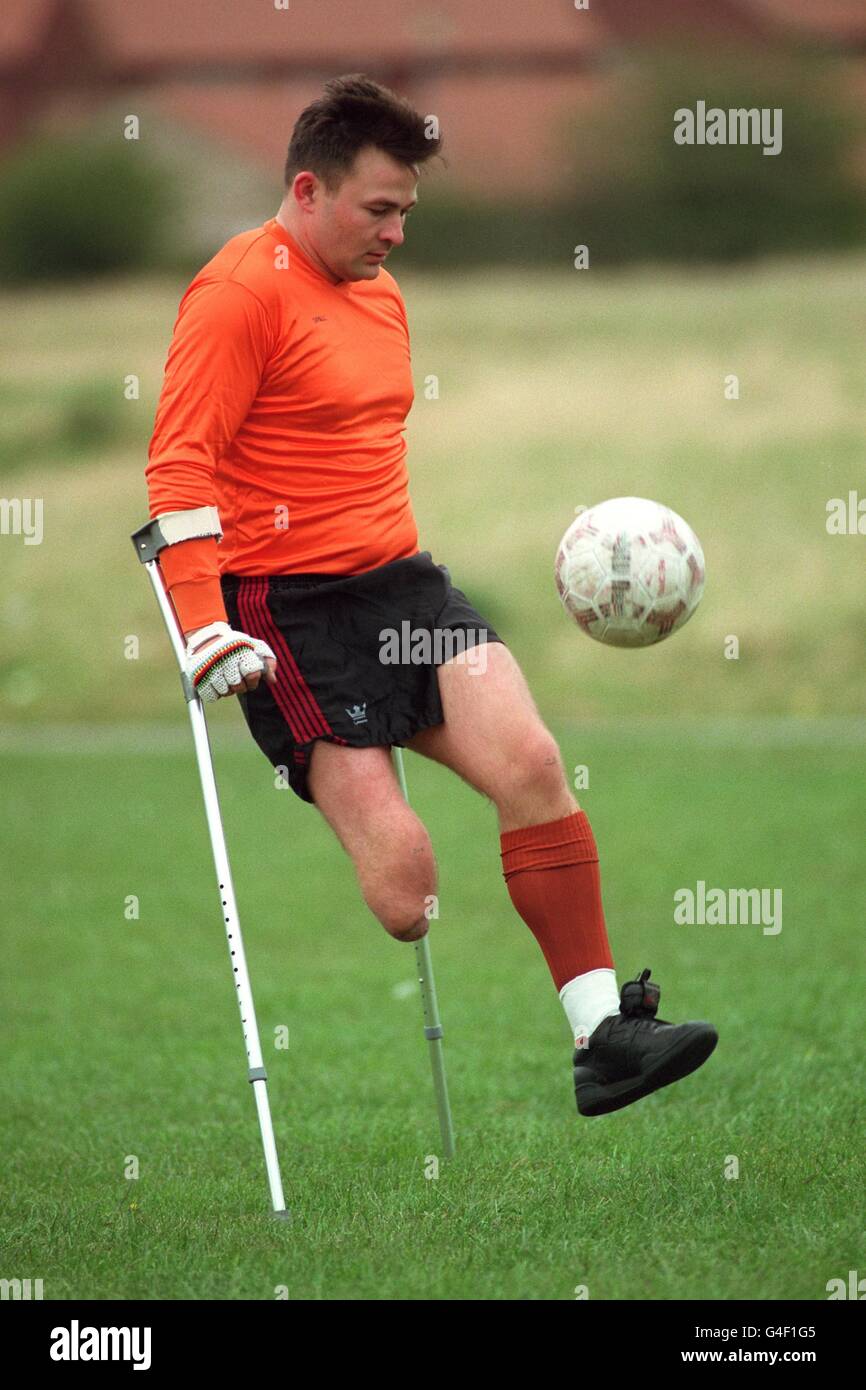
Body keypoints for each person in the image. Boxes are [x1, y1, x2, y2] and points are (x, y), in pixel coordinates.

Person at [145, 73, 717, 1118]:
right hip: (287, 612)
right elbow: (179, 470)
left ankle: (603, 1035)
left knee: (534, 761)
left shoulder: (378, 289)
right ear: (308, 189)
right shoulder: (238, 293)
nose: (395, 233)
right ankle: (341, 765)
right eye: (378, 210)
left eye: (407, 212)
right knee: (407, 896)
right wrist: (201, 625)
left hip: (402, 587)